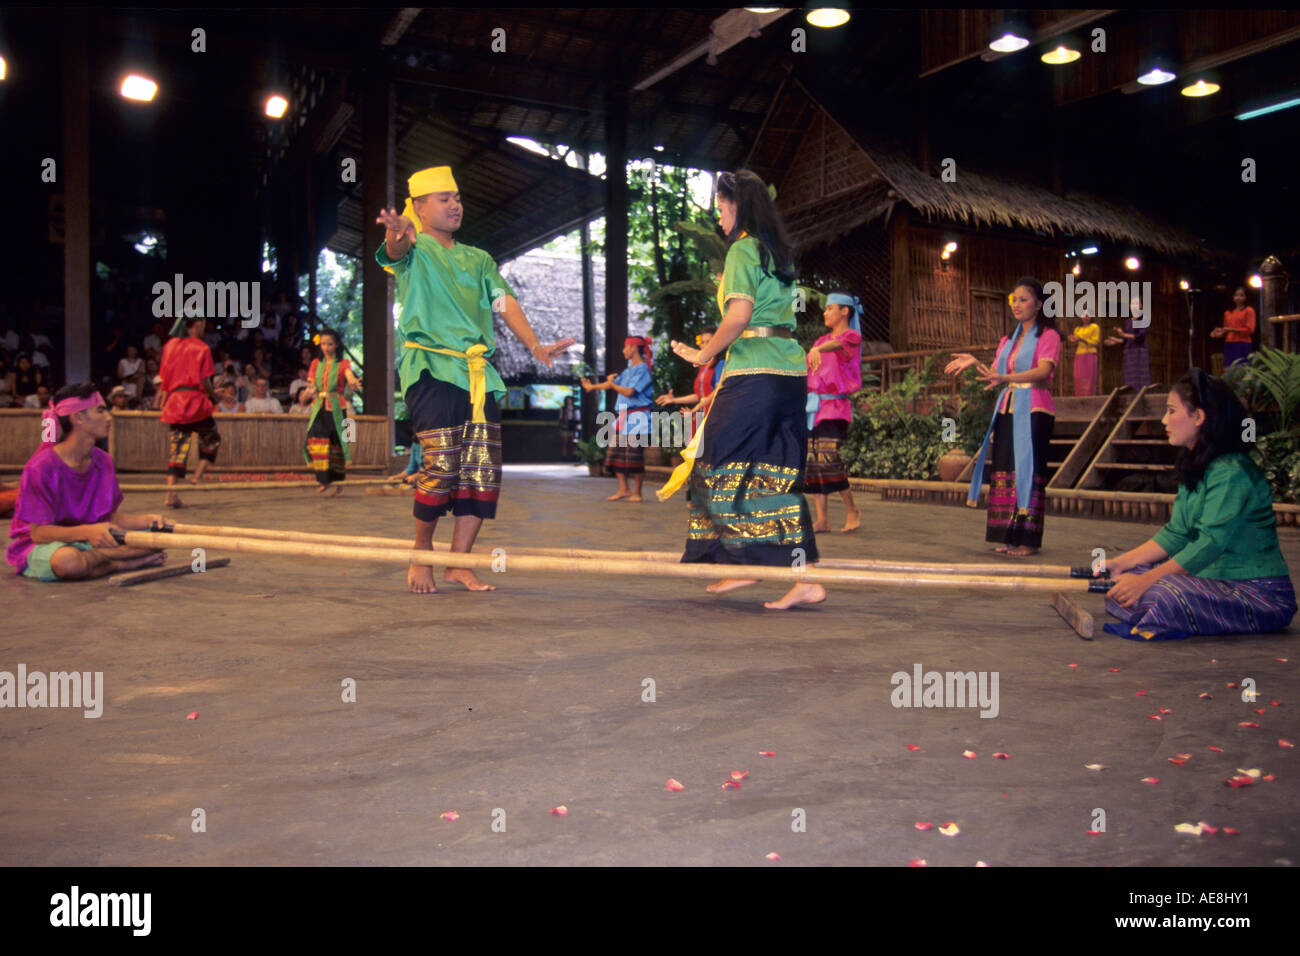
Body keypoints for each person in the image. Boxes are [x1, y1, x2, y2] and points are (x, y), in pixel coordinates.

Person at [374, 164, 574, 594]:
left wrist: (537, 347)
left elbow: (504, 303)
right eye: (444, 198)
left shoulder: (479, 259)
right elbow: (393, 251)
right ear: (420, 208)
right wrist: (397, 231)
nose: (455, 204)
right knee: (441, 462)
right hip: (430, 367)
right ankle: (422, 555)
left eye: (458, 197)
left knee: (481, 471)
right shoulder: (414, 248)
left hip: (478, 373)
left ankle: (458, 563)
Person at [660, 169, 822, 610]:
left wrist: (703, 354)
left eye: (720, 206)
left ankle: (788, 571)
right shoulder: (776, 254)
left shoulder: (744, 250)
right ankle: (756, 564)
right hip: (786, 374)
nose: (718, 216)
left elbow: (738, 316)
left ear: (738, 205)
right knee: (770, 468)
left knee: (715, 459)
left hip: (755, 373)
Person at [1103, 370, 1295, 639]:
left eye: (1171, 411)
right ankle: (1149, 601)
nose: (1163, 420)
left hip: (1258, 593)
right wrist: (1121, 563)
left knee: (1160, 593)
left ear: (1198, 417)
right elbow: (1176, 534)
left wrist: (1145, 581)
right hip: (1213, 582)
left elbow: (1209, 543)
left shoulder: (1232, 471)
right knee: (1126, 579)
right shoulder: (1197, 465)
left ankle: (1156, 606)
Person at [947, 276, 1061, 557]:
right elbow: (995, 375)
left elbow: (1044, 372)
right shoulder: (1008, 340)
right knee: (1004, 469)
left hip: (1035, 407)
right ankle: (1008, 535)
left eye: (1023, 299)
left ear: (1039, 304)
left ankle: (1027, 540)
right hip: (1008, 406)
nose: (1017, 304)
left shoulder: (1048, 336)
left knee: (1027, 469)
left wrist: (1006, 376)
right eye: (1014, 299)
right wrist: (975, 363)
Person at [6, 383, 166, 581]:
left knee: (160, 535)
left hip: (89, 540)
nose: (108, 417)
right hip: (48, 544)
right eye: (100, 411)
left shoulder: (103, 461)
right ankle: (119, 563)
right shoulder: (40, 467)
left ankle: (96, 561)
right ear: (78, 418)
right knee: (68, 561)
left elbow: (107, 518)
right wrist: (88, 532)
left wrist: (146, 520)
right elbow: (39, 534)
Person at [805, 292, 863, 534]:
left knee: (829, 457)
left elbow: (836, 345)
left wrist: (818, 349)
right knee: (814, 462)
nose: (825, 313)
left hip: (836, 408)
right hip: (814, 408)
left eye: (830, 308)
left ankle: (852, 510)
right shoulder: (819, 341)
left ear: (845, 311)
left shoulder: (851, 337)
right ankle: (823, 519)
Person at [158, 314, 222, 509]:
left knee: (176, 449)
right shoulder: (202, 347)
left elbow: (164, 379)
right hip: (195, 402)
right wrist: (214, 396)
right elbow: (204, 381)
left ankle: (171, 495)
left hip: (176, 402)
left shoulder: (170, 346)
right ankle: (197, 475)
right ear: (198, 324)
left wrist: (163, 401)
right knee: (212, 438)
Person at [582, 336, 654, 501]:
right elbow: (612, 384)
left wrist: (612, 383)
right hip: (623, 417)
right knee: (614, 453)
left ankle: (637, 492)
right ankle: (624, 489)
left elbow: (629, 391)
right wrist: (592, 387)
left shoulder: (643, 370)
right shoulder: (629, 371)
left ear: (633, 348)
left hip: (638, 418)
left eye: (625, 347)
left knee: (634, 455)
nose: (623, 351)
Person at [301, 328, 362, 495]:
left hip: (336, 406)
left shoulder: (343, 364)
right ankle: (324, 479)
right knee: (316, 438)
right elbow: (312, 384)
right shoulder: (315, 364)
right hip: (319, 405)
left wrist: (354, 382)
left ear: (336, 345)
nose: (326, 347)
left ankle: (339, 482)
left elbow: (349, 377)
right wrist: (309, 391)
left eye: (330, 344)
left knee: (337, 443)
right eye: (323, 344)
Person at [656, 325, 725, 439]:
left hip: (714, 414)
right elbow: (699, 396)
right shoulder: (703, 367)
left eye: (709, 341)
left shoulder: (720, 364)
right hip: (701, 413)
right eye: (703, 342)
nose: (705, 345)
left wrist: (694, 410)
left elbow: (718, 391)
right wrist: (674, 400)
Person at [1104, 298, 1150, 389]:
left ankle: (1140, 397)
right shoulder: (1128, 322)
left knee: (1139, 378)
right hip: (1129, 353)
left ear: (1141, 306)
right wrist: (1115, 341)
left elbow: (1140, 337)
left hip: (1139, 352)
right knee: (1129, 379)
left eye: (1137, 303)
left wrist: (1123, 334)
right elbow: (1126, 340)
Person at [1211, 286, 1256, 369]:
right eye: (1236, 295)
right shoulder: (1228, 312)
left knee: (1241, 369)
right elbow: (1226, 329)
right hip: (1229, 343)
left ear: (1246, 297)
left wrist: (1231, 329)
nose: (1238, 298)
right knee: (1229, 369)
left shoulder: (1249, 310)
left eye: (1241, 295)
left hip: (1243, 343)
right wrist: (1218, 333)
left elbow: (1250, 329)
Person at [1068, 309, 1100, 396]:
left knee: (1089, 378)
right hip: (1079, 354)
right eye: (1083, 315)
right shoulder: (1077, 329)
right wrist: (1072, 339)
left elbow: (1095, 342)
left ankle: (1089, 398)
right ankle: (1079, 398)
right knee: (1078, 378)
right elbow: (1075, 342)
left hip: (1090, 354)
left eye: (1088, 315)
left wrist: (1081, 339)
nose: (1085, 317)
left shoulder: (1094, 327)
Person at [558, 395, 579, 459]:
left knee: (573, 442)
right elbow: (560, 418)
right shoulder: (563, 408)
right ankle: (564, 456)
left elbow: (578, 418)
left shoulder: (575, 408)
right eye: (567, 400)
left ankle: (573, 455)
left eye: (570, 400)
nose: (568, 402)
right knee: (564, 442)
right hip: (565, 426)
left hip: (573, 427)